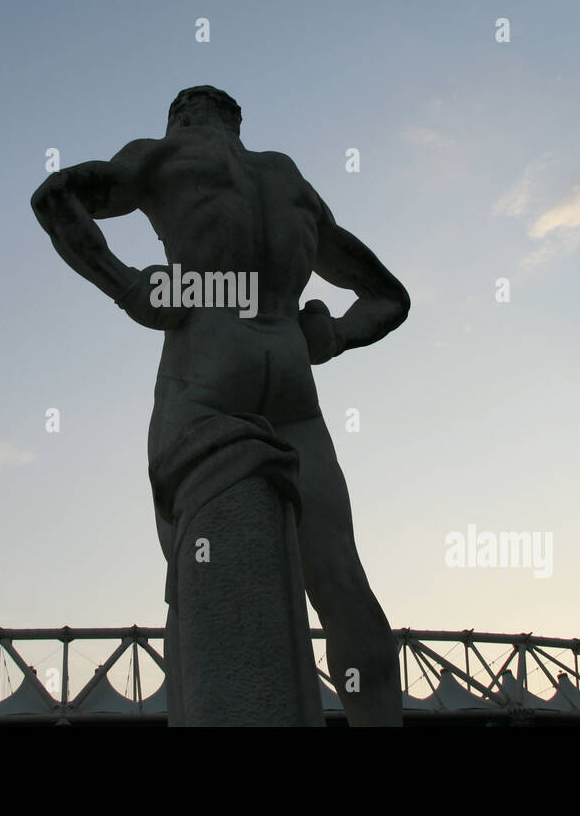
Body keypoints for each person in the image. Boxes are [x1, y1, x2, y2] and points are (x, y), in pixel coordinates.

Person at [31, 86, 409, 725]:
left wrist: (129, 287)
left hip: (209, 365)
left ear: (181, 118)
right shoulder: (286, 177)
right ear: (237, 122)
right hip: (292, 377)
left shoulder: (164, 156)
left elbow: (55, 196)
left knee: (195, 570)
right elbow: (389, 297)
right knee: (344, 587)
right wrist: (336, 334)